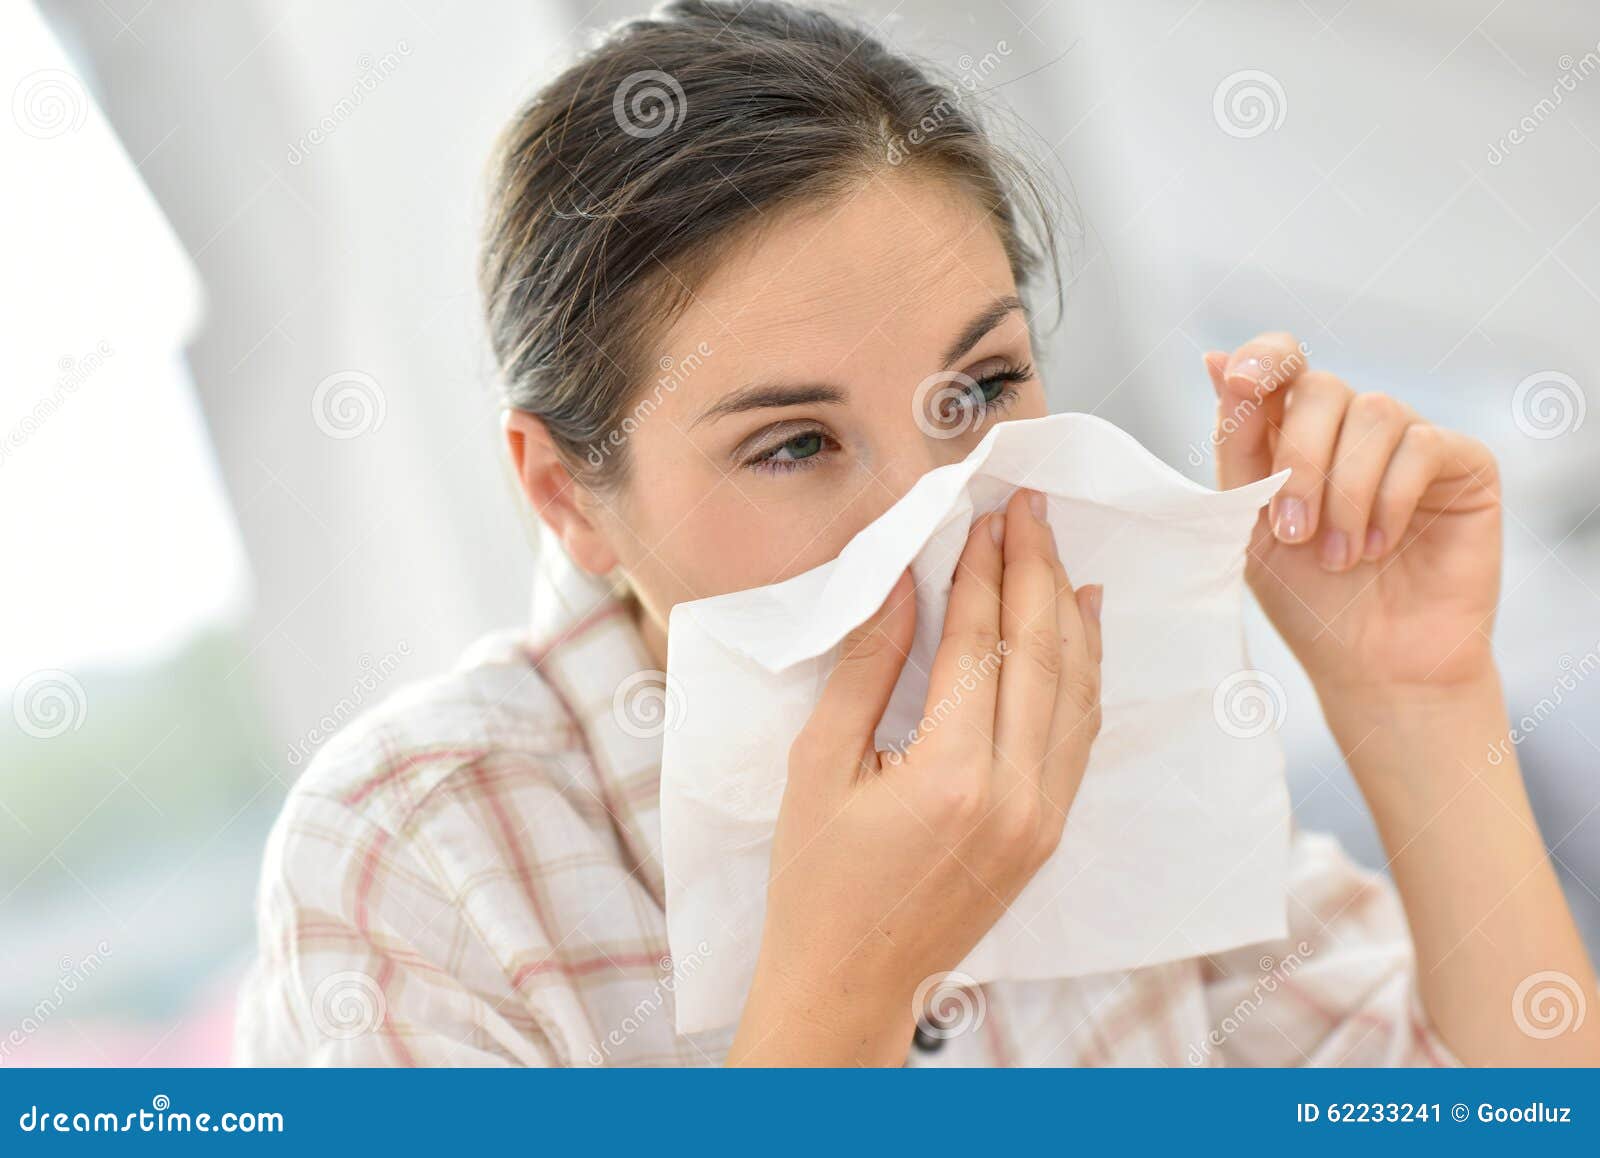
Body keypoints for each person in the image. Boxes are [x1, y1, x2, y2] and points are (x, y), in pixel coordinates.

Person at [235, 0, 1600, 1066]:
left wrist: (1415, 696)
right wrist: (850, 983)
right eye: (795, 444)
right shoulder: (420, 860)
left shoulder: (1107, 704)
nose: (935, 517)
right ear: (565, 494)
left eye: (982, 388)